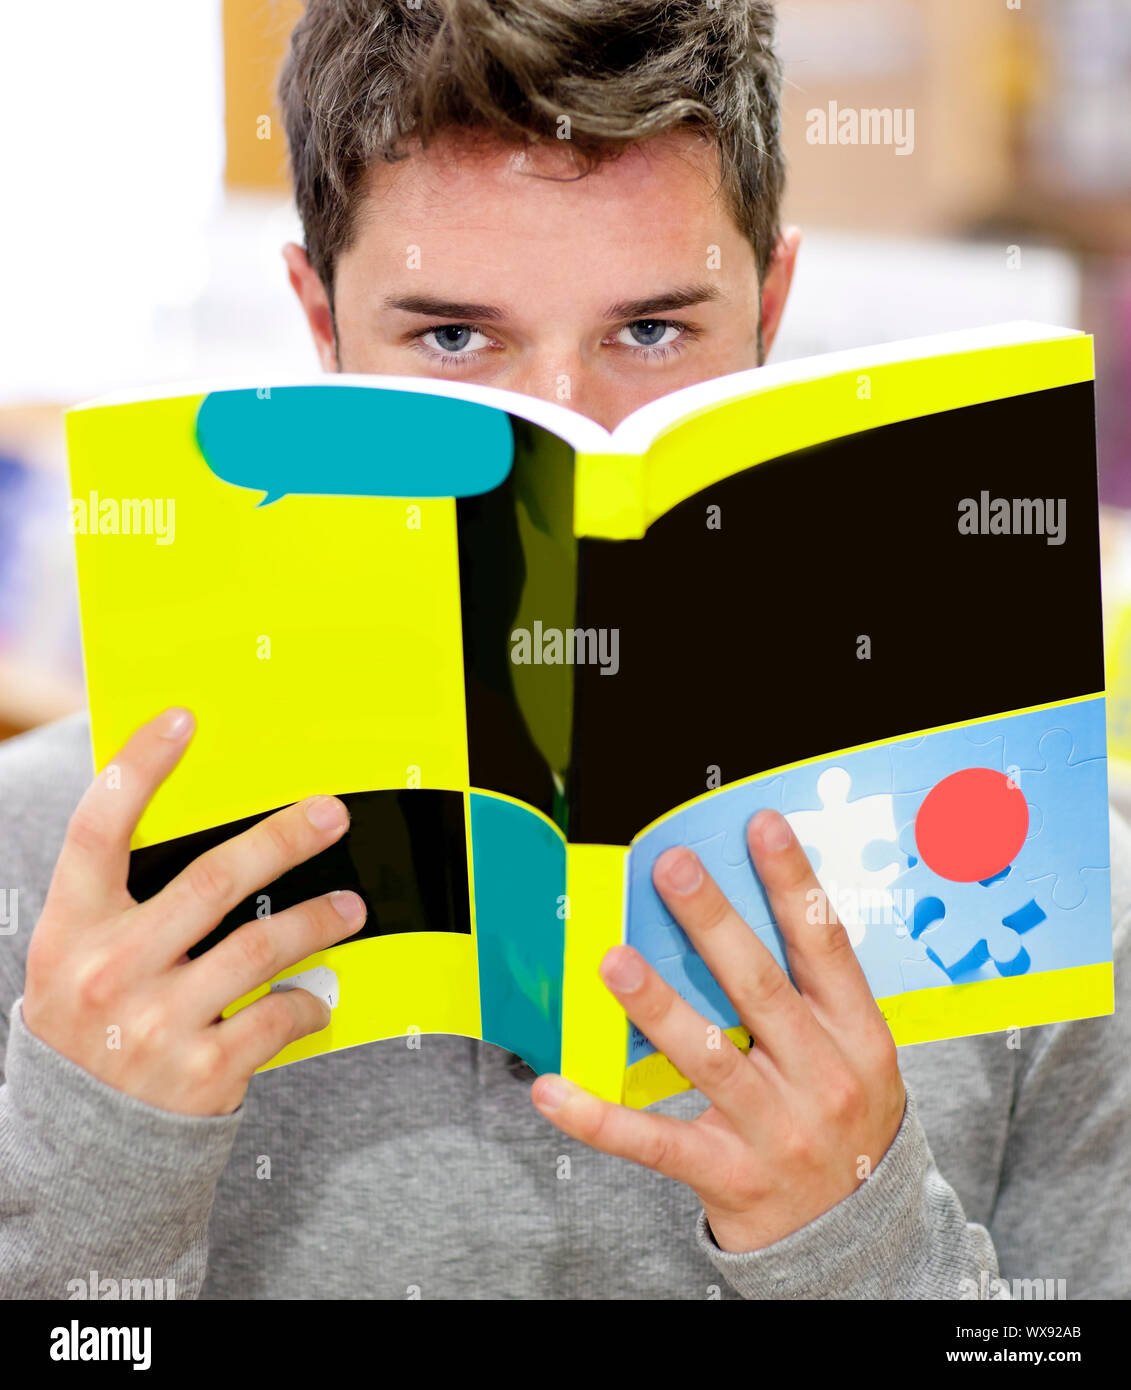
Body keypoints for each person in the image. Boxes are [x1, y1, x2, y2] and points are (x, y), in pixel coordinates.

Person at [1, 0, 1127, 1300]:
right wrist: (98, 1168)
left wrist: (859, 1243)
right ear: (319, 323)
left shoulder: (1063, 893)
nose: (562, 435)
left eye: (651, 332)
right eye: (453, 338)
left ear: (772, 304)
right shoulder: (51, 879)